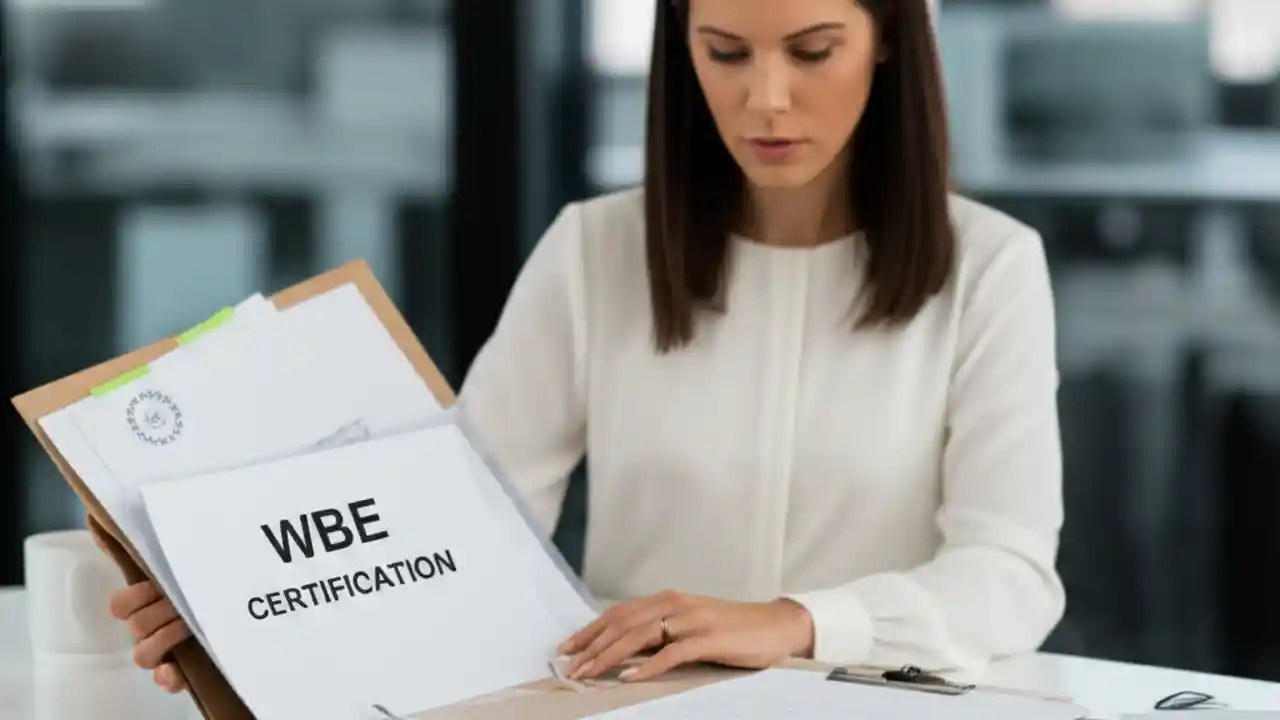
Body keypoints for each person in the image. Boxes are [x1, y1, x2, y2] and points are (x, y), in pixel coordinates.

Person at [108, 0, 1065, 692]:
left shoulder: (990, 267)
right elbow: (458, 524)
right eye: (724, 51)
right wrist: (244, 595)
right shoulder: (594, 248)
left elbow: (1010, 577)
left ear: (891, 39)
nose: (766, 98)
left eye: (812, 51)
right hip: (628, 703)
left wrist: (792, 623)